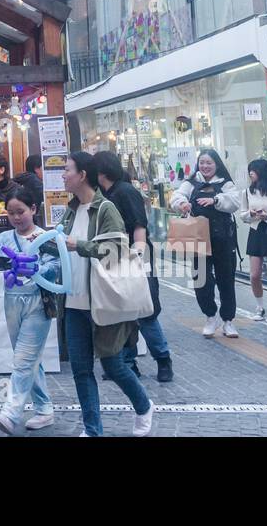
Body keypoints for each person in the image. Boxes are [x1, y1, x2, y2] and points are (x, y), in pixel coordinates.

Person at [61, 152, 154, 436]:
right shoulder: (71, 209)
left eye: (67, 170)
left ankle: (143, 406)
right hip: (74, 301)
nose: (63, 175)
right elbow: (63, 247)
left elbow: (115, 252)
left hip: (103, 299)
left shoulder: (105, 209)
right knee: (81, 369)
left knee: (113, 365)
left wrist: (81, 245)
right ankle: (92, 430)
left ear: (82, 175)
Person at [0, 188, 60, 434]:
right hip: (12, 300)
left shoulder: (46, 238)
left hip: (38, 300)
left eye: (21, 212)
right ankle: (44, 408)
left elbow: (57, 265)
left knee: (24, 358)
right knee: (29, 357)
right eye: (11, 212)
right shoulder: (4, 238)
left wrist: (36, 269)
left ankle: (11, 412)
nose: (15, 217)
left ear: (34, 209)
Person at [94, 150, 172, 383]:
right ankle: (128, 363)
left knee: (145, 312)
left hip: (134, 258)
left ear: (101, 171)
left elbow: (139, 225)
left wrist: (138, 255)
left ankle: (163, 359)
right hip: (115, 259)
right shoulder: (106, 194)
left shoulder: (124, 191)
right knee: (123, 313)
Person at [169, 148, 242, 338]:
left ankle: (228, 321)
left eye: (209, 162)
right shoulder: (191, 182)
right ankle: (210, 316)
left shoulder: (225, 183)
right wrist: (182, 204)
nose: (205, 166)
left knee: (226, 279)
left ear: (216, 164)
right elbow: (175, 197)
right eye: (202, 162)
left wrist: (216, 200)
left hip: (223, 239)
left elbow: (235, 202)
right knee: (201, 279)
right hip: (198, 238)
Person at [241, 158, 267, 323]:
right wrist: (250, 214)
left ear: (262, 172)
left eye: (254, 170)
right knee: (255, 274)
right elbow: (242, 214)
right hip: (255, 231)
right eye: (250, 170)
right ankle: (259, 307)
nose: (251, 173)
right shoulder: (247, 192)